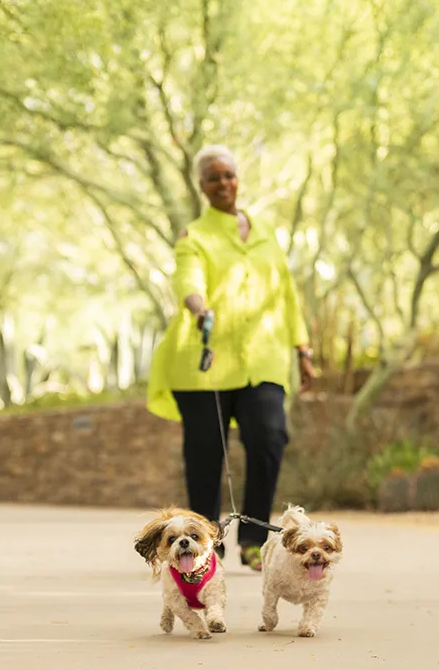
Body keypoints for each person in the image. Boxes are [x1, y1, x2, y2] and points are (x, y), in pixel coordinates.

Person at [147, 145, 315, 571]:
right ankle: (207, 547)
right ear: (201, 187)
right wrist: (198, 306)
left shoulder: (265, 235)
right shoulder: (195, 236)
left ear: (237, 180)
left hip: (263, 357)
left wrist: (303, 349)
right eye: (213, 178)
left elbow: (287, 295)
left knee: (270, 437)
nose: (223, 183)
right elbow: (187, 277)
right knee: (204, 457)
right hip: (205, 363)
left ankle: (254, 539)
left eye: (229, 175)